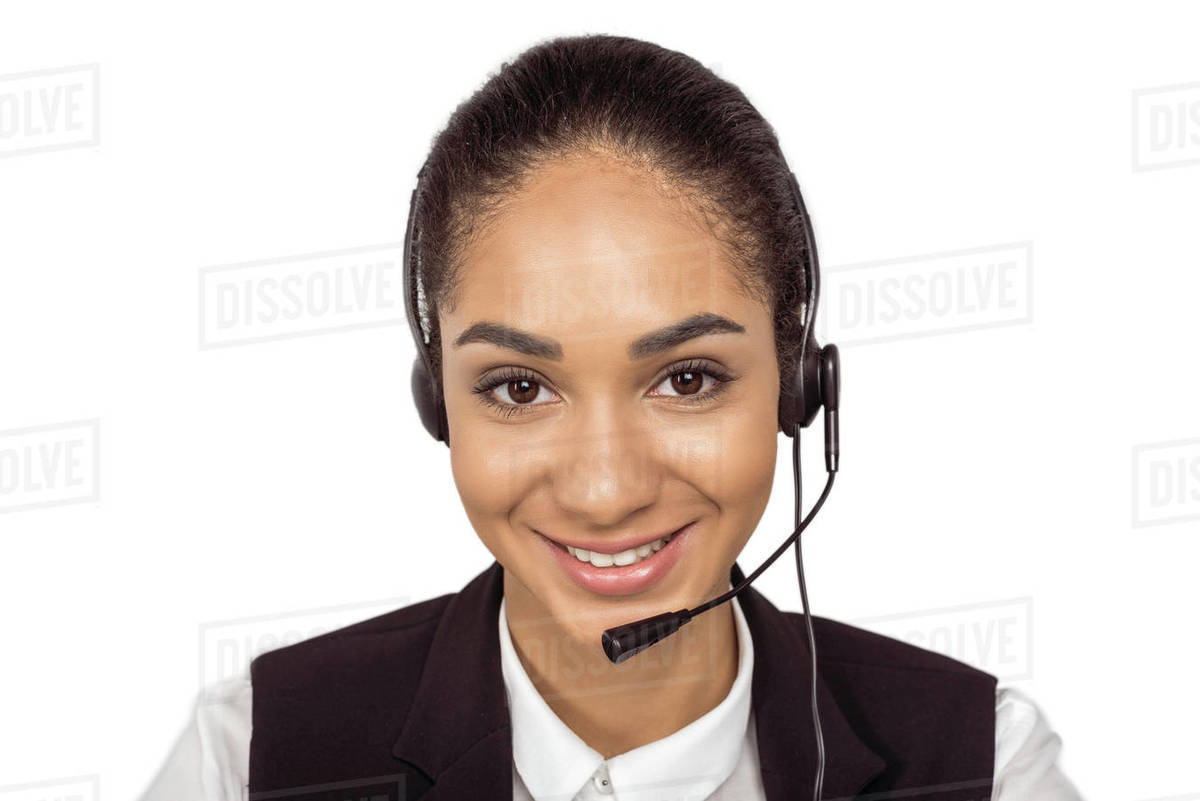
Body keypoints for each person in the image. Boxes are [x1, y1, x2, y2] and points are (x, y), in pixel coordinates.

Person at [139, 34, 1084, 801]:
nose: (605, 490)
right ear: (439, 406)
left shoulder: (983, 766)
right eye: (519, 388)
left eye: (687, 380)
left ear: (798, 389)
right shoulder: (249, 760)